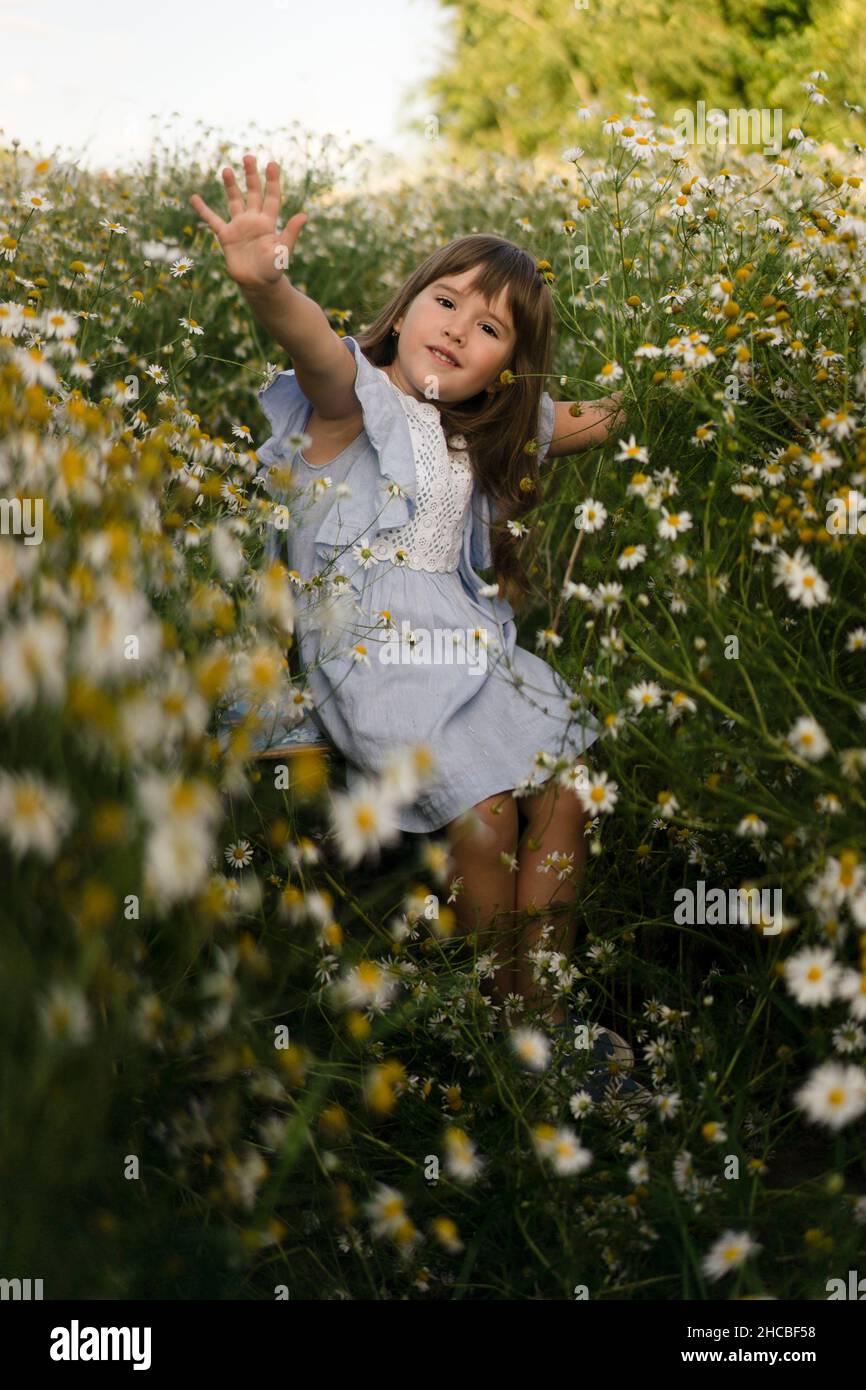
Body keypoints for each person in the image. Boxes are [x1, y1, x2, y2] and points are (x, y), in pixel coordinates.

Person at [191, 157, 643, 1101]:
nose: (458, 331)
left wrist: (672, 383)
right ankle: (498, 1046)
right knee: (481, 823)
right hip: (374, 655)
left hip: (471, 646)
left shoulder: (483, 427)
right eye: (446, 303)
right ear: (402, 312)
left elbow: (576, 419)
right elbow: (310, 341)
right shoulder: (349, 400)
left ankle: (540, 1025)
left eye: (489, 330)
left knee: (567, 790)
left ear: (500, 368)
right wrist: (266, 280)